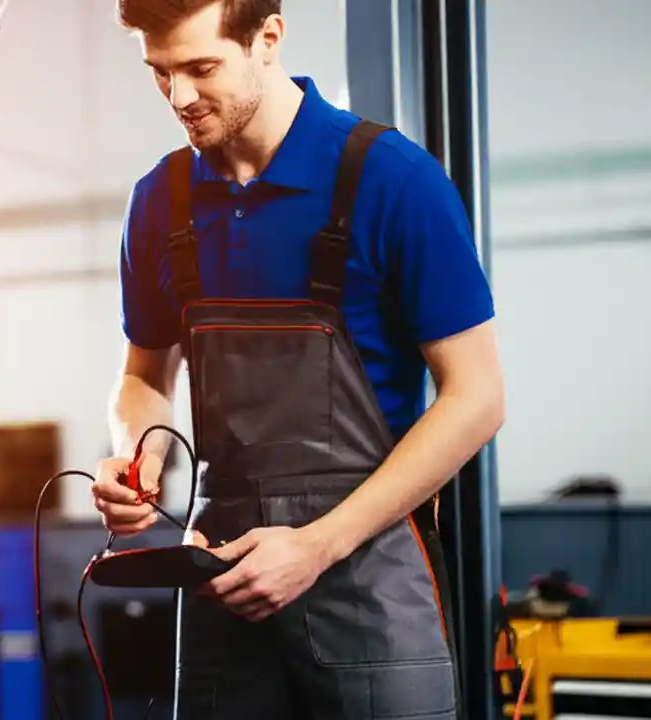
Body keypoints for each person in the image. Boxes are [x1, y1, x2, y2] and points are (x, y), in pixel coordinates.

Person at [90, 1, 505, 718]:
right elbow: (143, 377)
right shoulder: (159, 201)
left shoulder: (395, 180)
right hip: (223, 580)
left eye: (201, 67)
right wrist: (134, 456)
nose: (179, 97)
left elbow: (477, 398)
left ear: (268, 39)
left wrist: (316, 546)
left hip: (365, 572)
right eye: (160, 73)